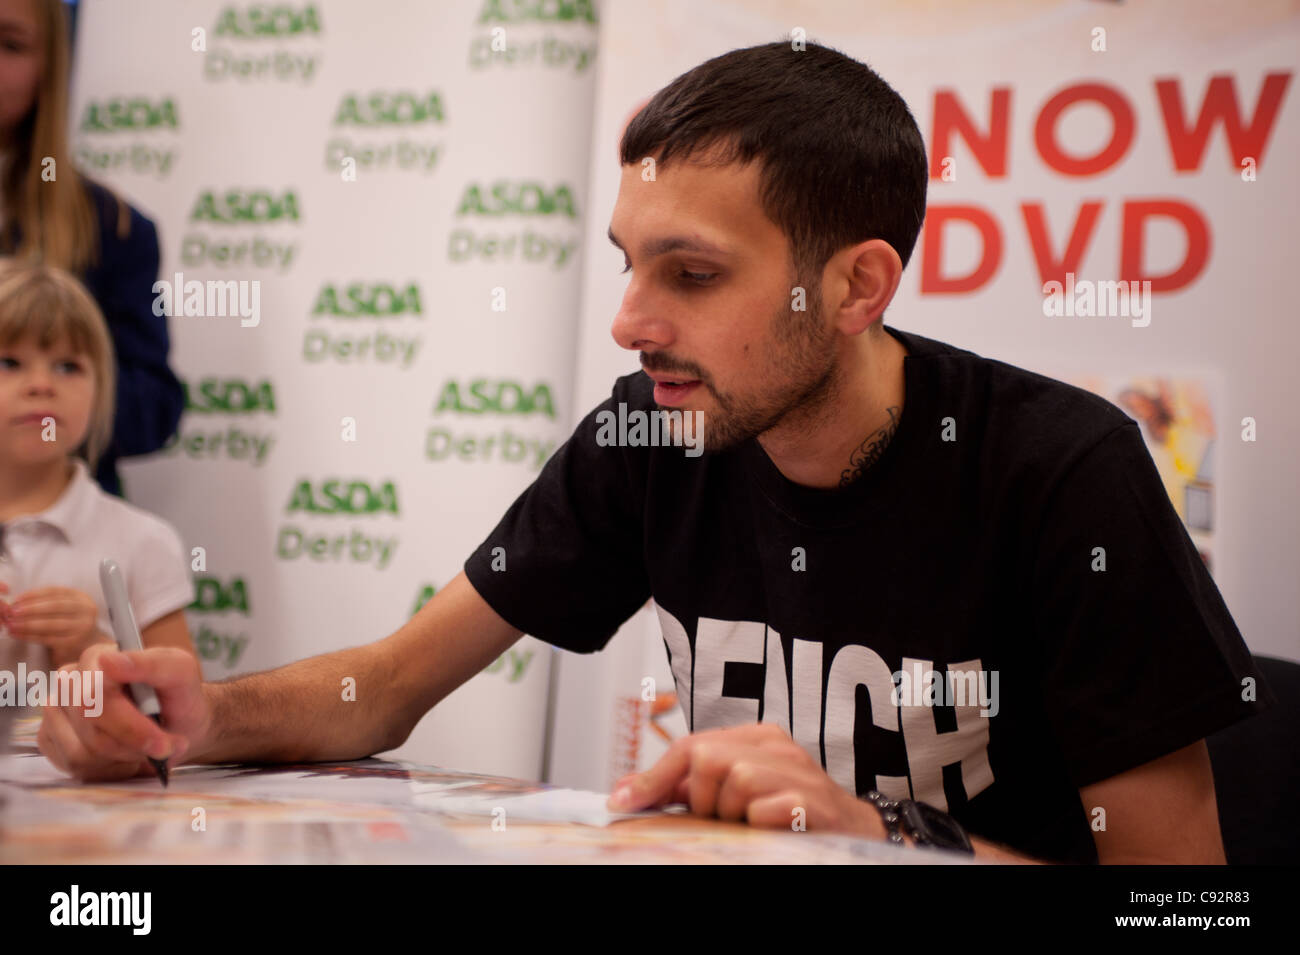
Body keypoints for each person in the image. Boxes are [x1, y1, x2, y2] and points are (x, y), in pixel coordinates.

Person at [38, 42, 1273, 865]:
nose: (631, 321)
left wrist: (885, 839)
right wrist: (196, 716)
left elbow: (1180, 896)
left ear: (854, 287)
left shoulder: (1064, 470)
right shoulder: (652, 427)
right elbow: (391, 682)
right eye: (630, 261)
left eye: (690, 273)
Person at [0, 0, 183, 496]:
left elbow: (154, 409)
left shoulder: (115, 229)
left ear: (52, 66)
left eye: (10, 44)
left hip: (61, 529)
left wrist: (53, 395)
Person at [0, 262, 194, 687]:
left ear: (102, 388)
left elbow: (182, 715)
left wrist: (90, 645)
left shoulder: (142, 542)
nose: (41, 384)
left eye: (67, 366)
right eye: (9, 362)